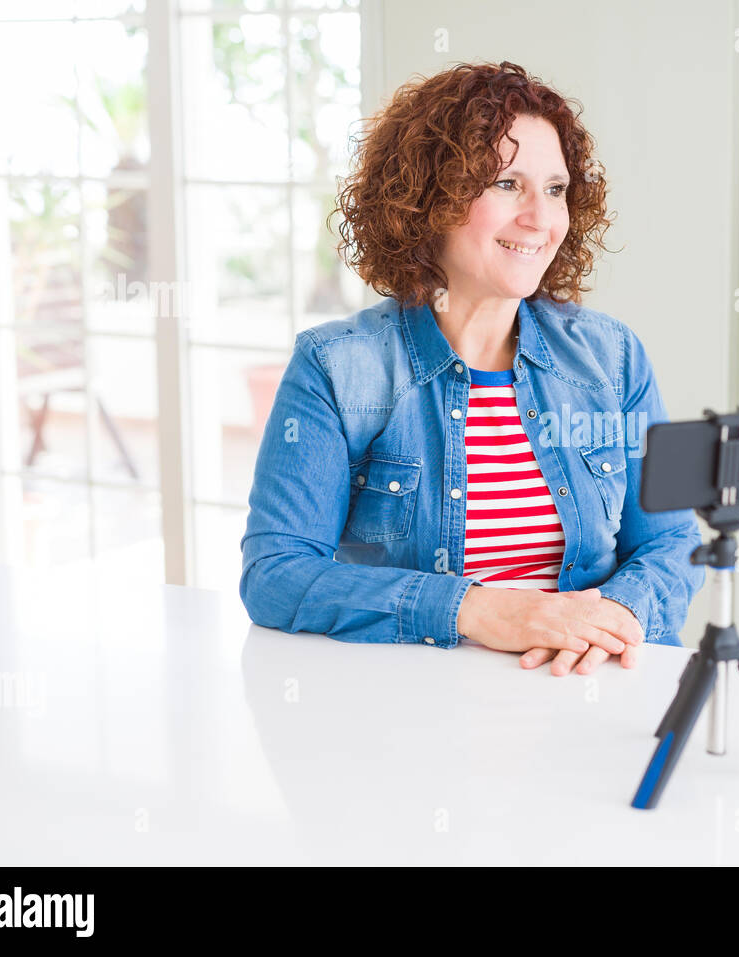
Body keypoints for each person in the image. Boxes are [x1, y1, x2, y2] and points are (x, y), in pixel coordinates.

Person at [240, 60, 704, 676]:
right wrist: (480, 611)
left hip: (594, 686)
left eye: (557, 188)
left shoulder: (611, 357)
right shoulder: (338, 367)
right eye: (507, 184)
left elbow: (673, 540)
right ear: (430, 200)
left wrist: (599, 620)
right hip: (420, 709)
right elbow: (276, 575)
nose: (541, 217)